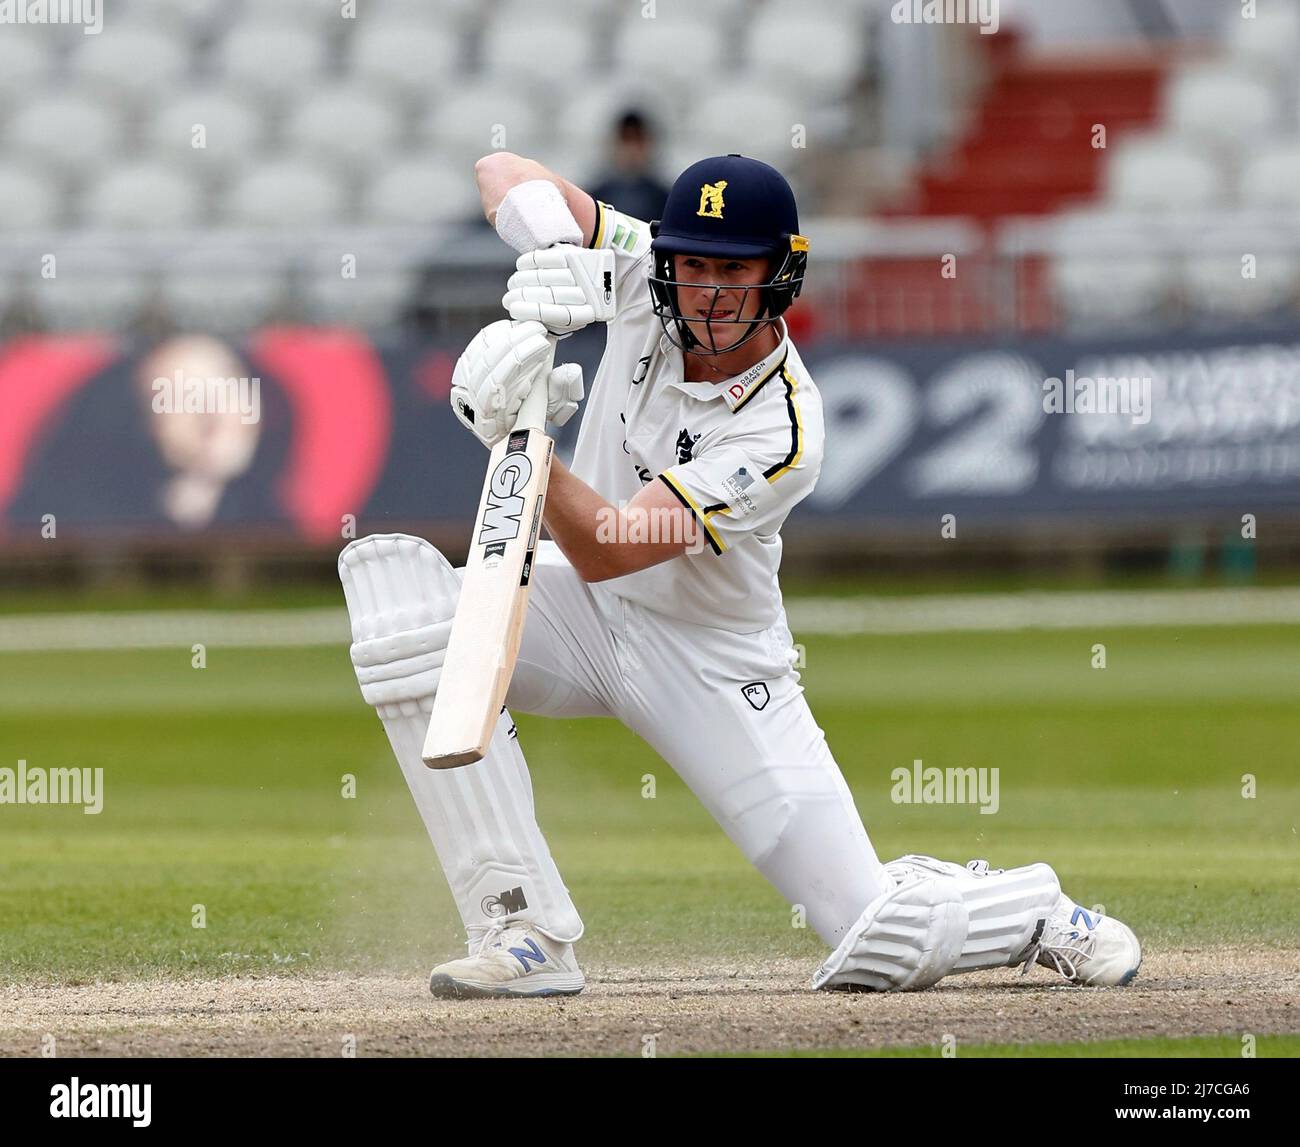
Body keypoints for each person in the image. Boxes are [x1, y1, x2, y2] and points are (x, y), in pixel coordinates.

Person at [338, 152, 1141, 997]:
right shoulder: (642, 275)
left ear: (779, 274)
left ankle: (1032, 912)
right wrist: (549, 246)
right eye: (692, 266)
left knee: (878, 940)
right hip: (581, 609)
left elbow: (613, 537)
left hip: (711, 658)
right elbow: (499, 169)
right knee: (408, 617)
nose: (709, 291)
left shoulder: (785, 427)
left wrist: (520, 435)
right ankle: (523, 928)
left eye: (734, 269)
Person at [588, 108, 672, 225]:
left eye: (637, 140)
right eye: (626, 139)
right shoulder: (594, 199)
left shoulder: (666, 200)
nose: (631, 149)